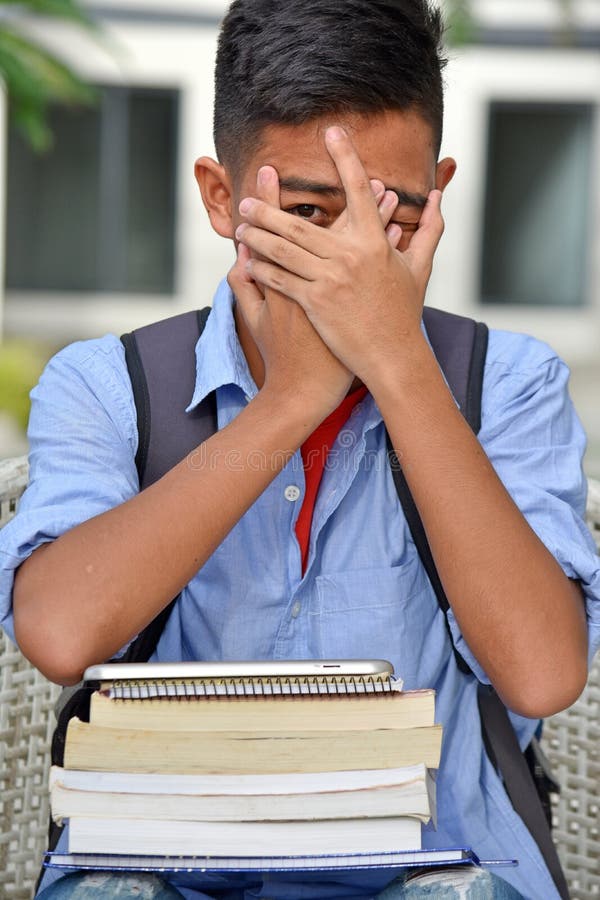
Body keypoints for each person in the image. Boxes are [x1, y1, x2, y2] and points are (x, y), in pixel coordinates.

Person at [1, 0, 599, 897]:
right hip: (164, 865)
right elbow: (56, 635)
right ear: (218, 196)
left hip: (441, 866)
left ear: (439, 195)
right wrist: (290, 402)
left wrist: (398, 362)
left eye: (387, 216)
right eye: (313, 211)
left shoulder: (505, 383)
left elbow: (544, 673)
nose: (352, 257)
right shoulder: (106, 385)